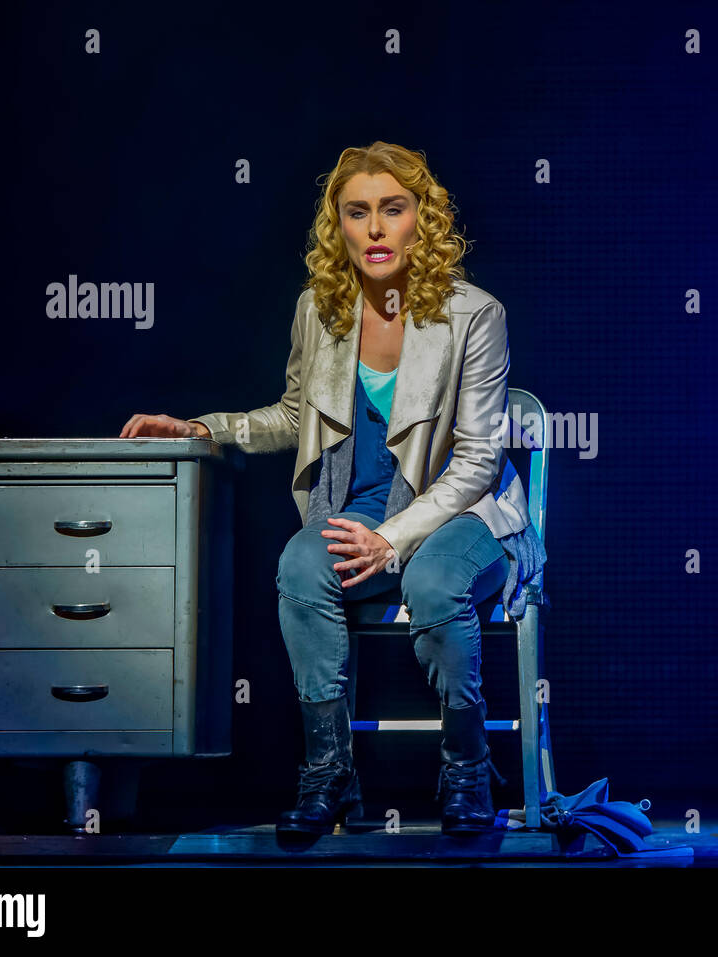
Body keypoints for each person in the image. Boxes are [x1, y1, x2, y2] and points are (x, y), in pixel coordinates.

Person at [120, 141, 545, 837]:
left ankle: (468, 767)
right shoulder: (319, 311)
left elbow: (475, 461)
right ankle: (329, 772)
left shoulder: (475, 314)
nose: (375, 229)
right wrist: (203, 427)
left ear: (423, 219)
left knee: (436, 584)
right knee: (298, 564)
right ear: (338, 225)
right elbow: (294, 415)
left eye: (393, 209)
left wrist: (390, 538)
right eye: (357, 212)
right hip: (363, 508)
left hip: (464, 513)